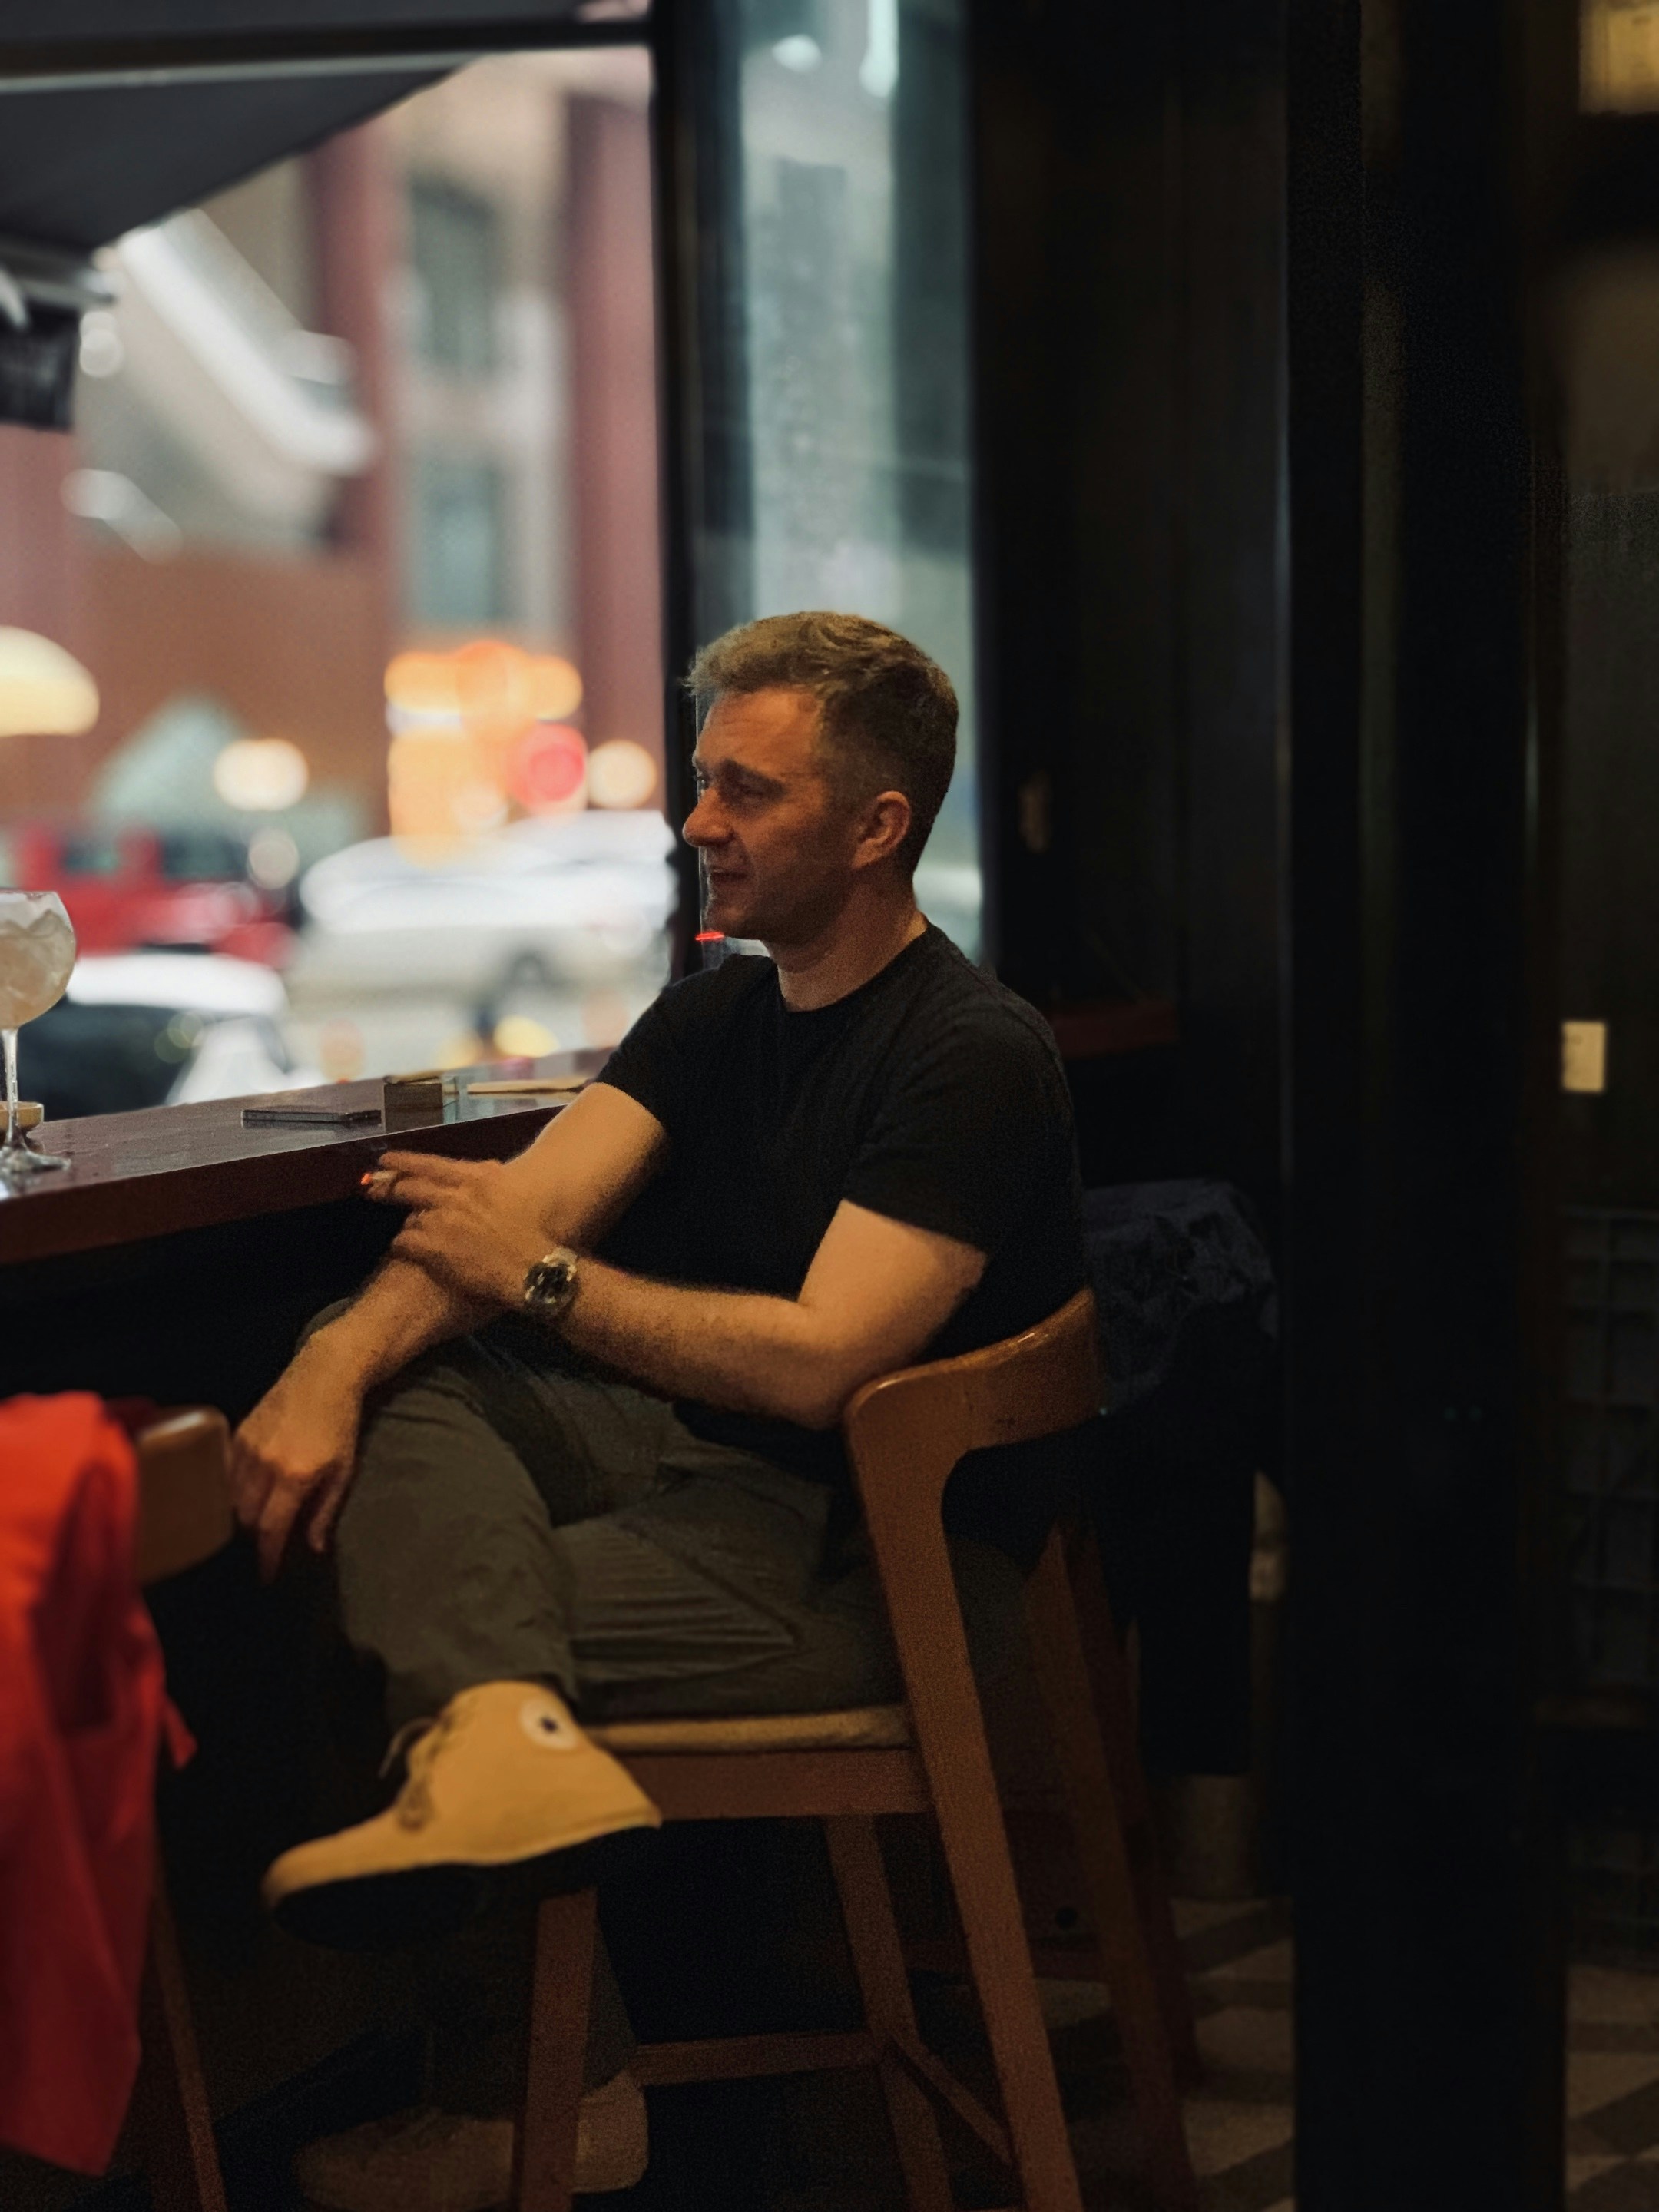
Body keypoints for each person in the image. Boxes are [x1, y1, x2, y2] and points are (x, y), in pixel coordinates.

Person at [230, 611, 1085, 2207]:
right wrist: (333, 1364)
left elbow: (825, 1364)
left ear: (877, 823)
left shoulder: (972, 1053)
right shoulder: (715, 1013)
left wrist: (535, 1278)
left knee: (394, 1592)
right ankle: (502, 1769)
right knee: (398, 1392)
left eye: (746, 791)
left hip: (875, 1567)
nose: (699, 822)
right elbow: (524, 1211)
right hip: (702, 1478)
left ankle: (533, 2093)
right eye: (704, 783)